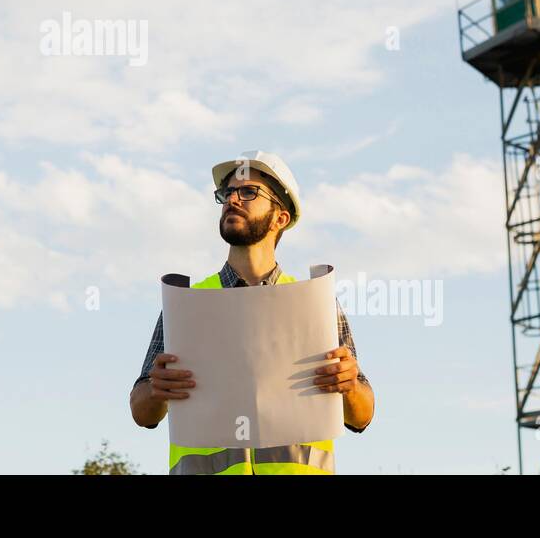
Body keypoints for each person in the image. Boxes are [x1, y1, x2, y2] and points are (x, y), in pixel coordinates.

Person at [128, 150, 375, 474]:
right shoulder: (188, 302)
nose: (233, 199)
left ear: (280, 217)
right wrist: (156, 389)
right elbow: (142, 411)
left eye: (248, 192)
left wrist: (349, 384)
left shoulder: (315, 302)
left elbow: (361, 415)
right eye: (227, 193)